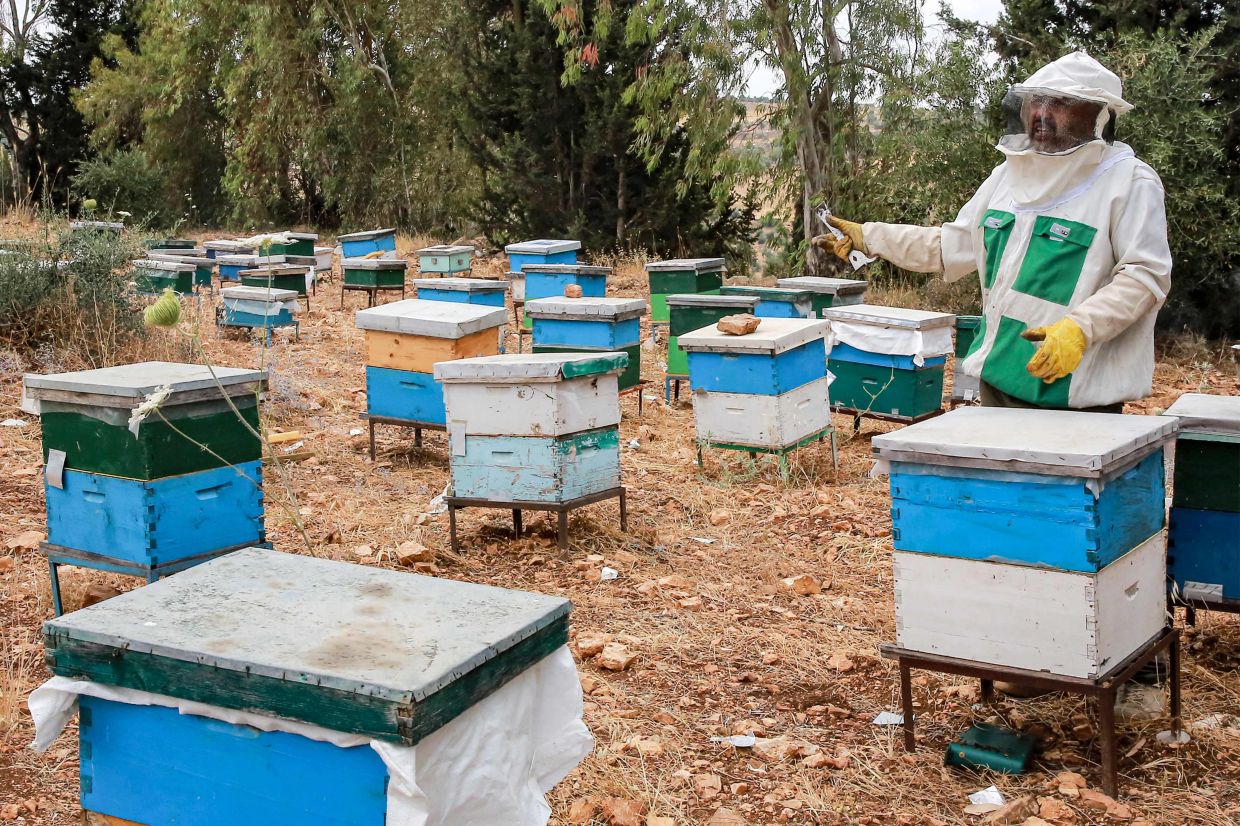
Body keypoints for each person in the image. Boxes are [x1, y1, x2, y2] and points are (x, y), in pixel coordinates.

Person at [816, 51, 1171, 414]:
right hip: (999, 377)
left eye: (1060, 103)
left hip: (1073, 387)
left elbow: (1145, 276)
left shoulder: (1130, 182)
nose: (1042, 114)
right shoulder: (1007, 175)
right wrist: (870, 238)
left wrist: (1081, 328)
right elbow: (950, 246)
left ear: (1098, 114)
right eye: (1035, 101)